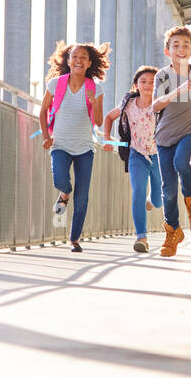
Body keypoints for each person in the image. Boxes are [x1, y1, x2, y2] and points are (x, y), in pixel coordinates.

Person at [38, 41, 108, 253]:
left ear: (89, 63)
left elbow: (98, 122)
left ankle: (74, 238)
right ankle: (64, 194)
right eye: (74, 57)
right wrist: (46, 136)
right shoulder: (56, 84)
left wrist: (94, 103)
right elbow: (43, 112)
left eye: (83, 58)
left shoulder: (95, 88)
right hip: (60, 144)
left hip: (85, 147)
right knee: (60, 179)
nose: (78, 60)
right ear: (68, 61)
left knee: (83, 195)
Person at [151, 26, 191, 257]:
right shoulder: (163, 75)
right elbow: (155, 105)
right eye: (176, 45)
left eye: (185, 45)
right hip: (165, 135)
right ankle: (173, 231)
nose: (181, 49)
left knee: (181, 162)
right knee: (168, 189)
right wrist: (176, 91)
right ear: (167, 51)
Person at [102, 66, 162, 253]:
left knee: (159, 200)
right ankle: (141, 237)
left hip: (159, 154)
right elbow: (109, 118)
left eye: (153, 82)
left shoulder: (162, 104)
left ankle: (151, 201)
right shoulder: (128, 103)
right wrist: (107, 139)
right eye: (143, 81)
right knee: (137, 191)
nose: (148, 85)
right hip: (137, 154)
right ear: (136, 85)